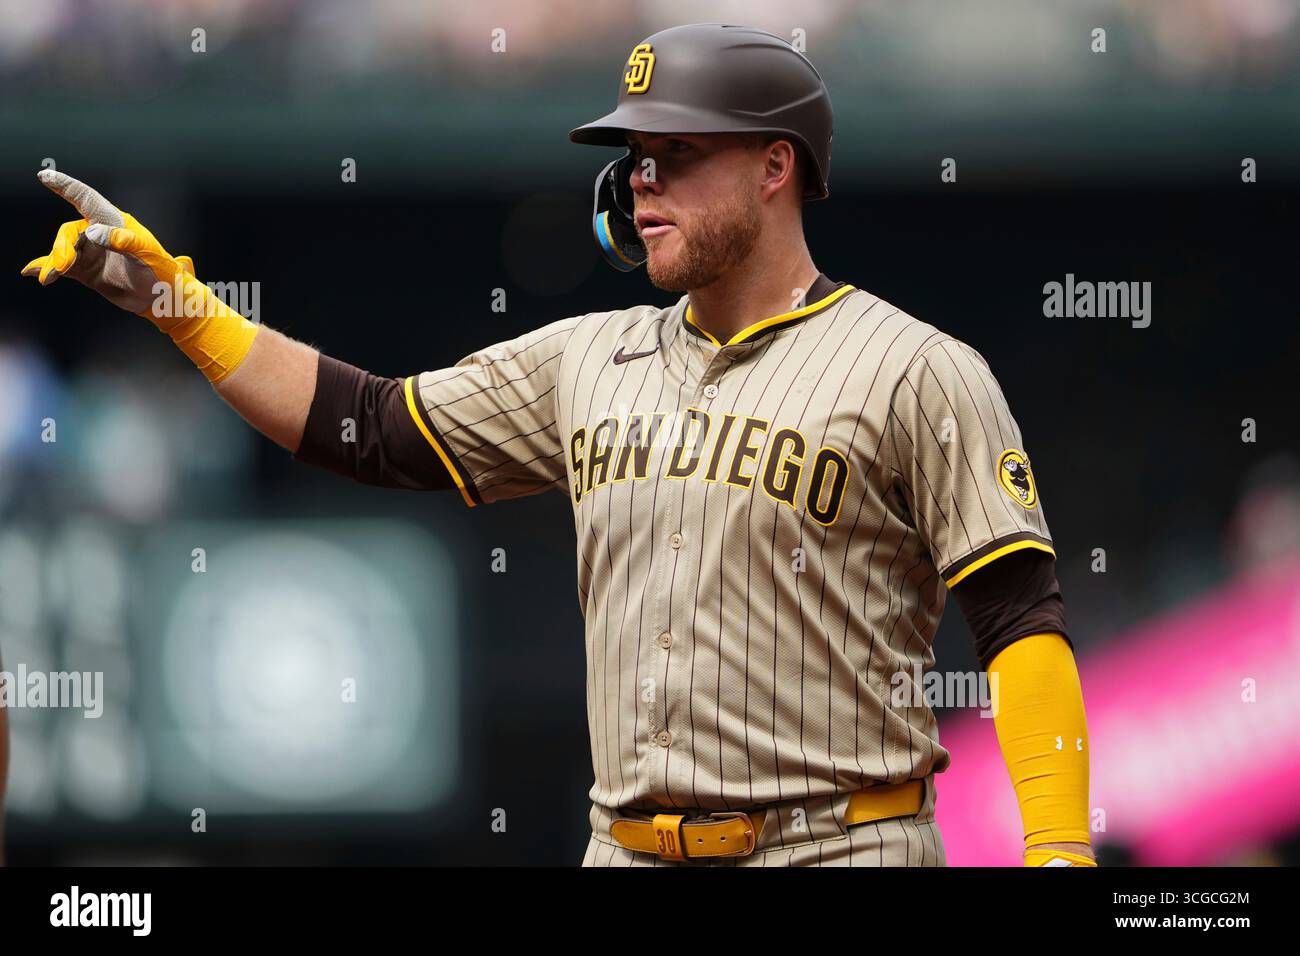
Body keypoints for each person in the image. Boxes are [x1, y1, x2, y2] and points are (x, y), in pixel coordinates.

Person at [20, 23, 1093, 867]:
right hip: (623, 847)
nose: (640, 180)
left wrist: (1056, 848)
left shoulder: (915, 368)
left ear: (775, 168)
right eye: (632, 157)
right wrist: (185, 311)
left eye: (677, 154)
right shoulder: (586, 357)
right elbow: (373, 427)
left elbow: (1018, 624)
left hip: (842, 844)